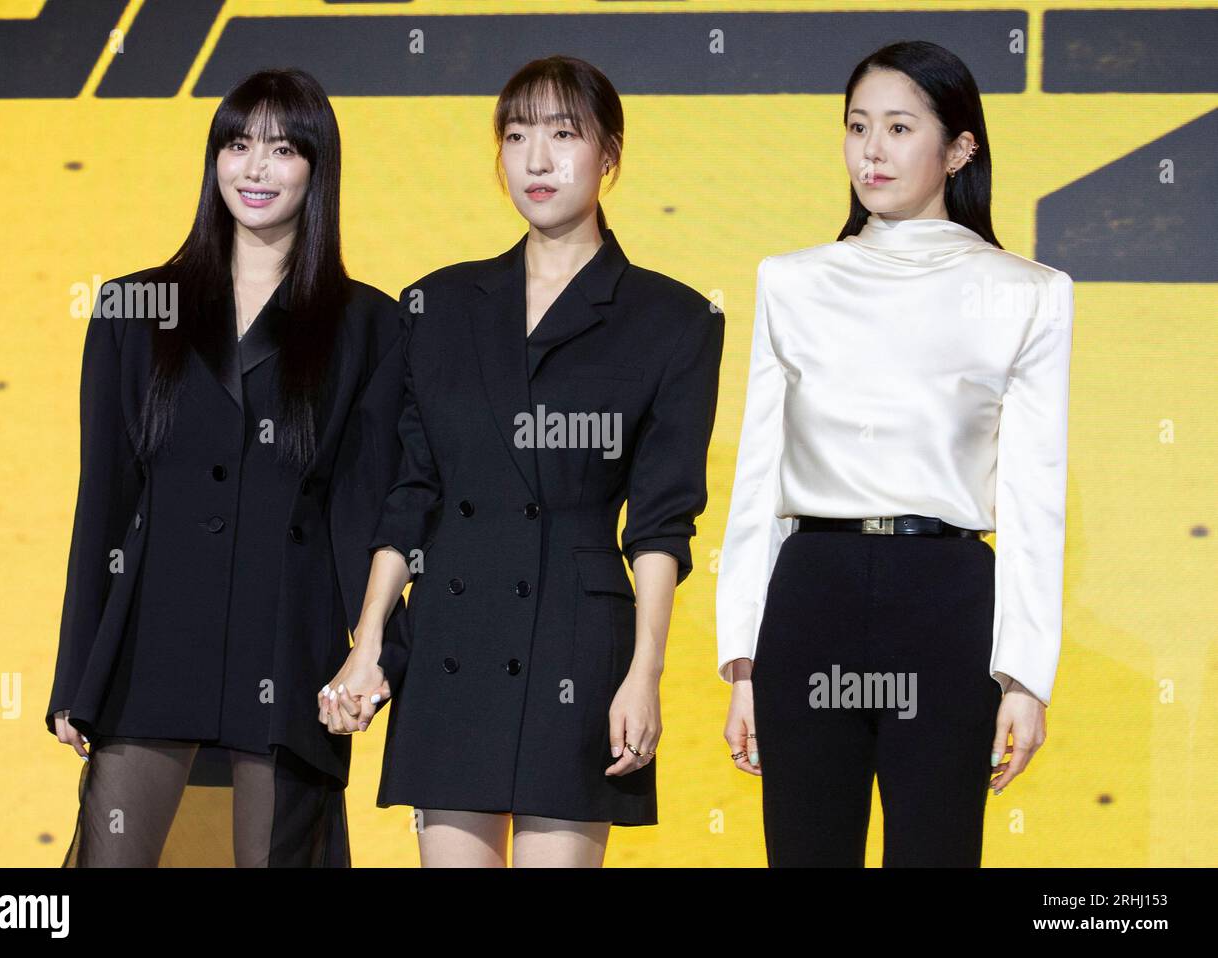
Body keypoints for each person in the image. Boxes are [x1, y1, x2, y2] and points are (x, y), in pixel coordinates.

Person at [321, 55, 724, 867]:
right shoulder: (436, 304)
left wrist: (644, 673)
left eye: (563, 134)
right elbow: (412, 491)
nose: (537, 159)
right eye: (516, 136)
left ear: (609, 153)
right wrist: (368, 642)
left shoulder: (673, 318)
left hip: (578, 643)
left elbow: (660, 522)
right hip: (453, 634)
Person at [717, 40, 1074, 867]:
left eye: (900, 127)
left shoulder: (1029, 293)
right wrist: (743, 660)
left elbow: (1033, 496)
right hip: (812, 592)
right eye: (857, 126)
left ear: (958, 150)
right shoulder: (792, 281)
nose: (871, 150)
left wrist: (1024, 677)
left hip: (946, 600)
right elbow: (757, 482)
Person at [46, 68, 405, 867]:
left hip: (289, 653)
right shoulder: (132, 310)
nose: (255, 168)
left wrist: (376, 652)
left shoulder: (370, 326)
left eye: (282, 149)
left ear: (318, 167)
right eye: (237, 145)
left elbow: (368, 506)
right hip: (149, 652)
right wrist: (79, 674)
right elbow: (103, 503)